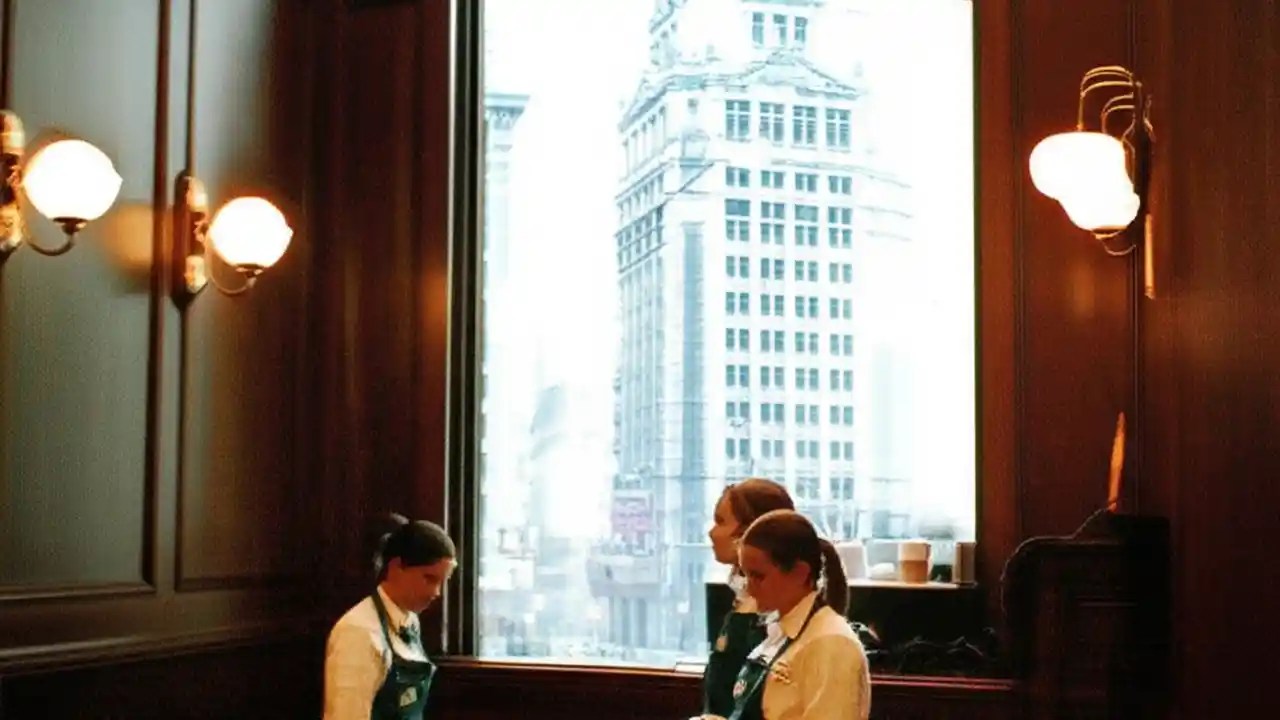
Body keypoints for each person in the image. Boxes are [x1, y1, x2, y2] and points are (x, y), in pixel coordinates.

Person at [729, 509, 870, 720]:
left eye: (758, 576)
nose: (748, 588)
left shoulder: (832, 643)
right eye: (744, 574)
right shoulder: (779, 632)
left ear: (800, 573)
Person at [323, 514, 457, 720]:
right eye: (429, 579)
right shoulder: (359, 632)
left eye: (443, 581)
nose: (437, 592)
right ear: (396, 567)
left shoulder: (410, 620)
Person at [700, 478, 795, 719]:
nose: (711, 532)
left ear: (750, 530)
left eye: (721, 521)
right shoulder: (739, 599)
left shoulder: (776, 615)